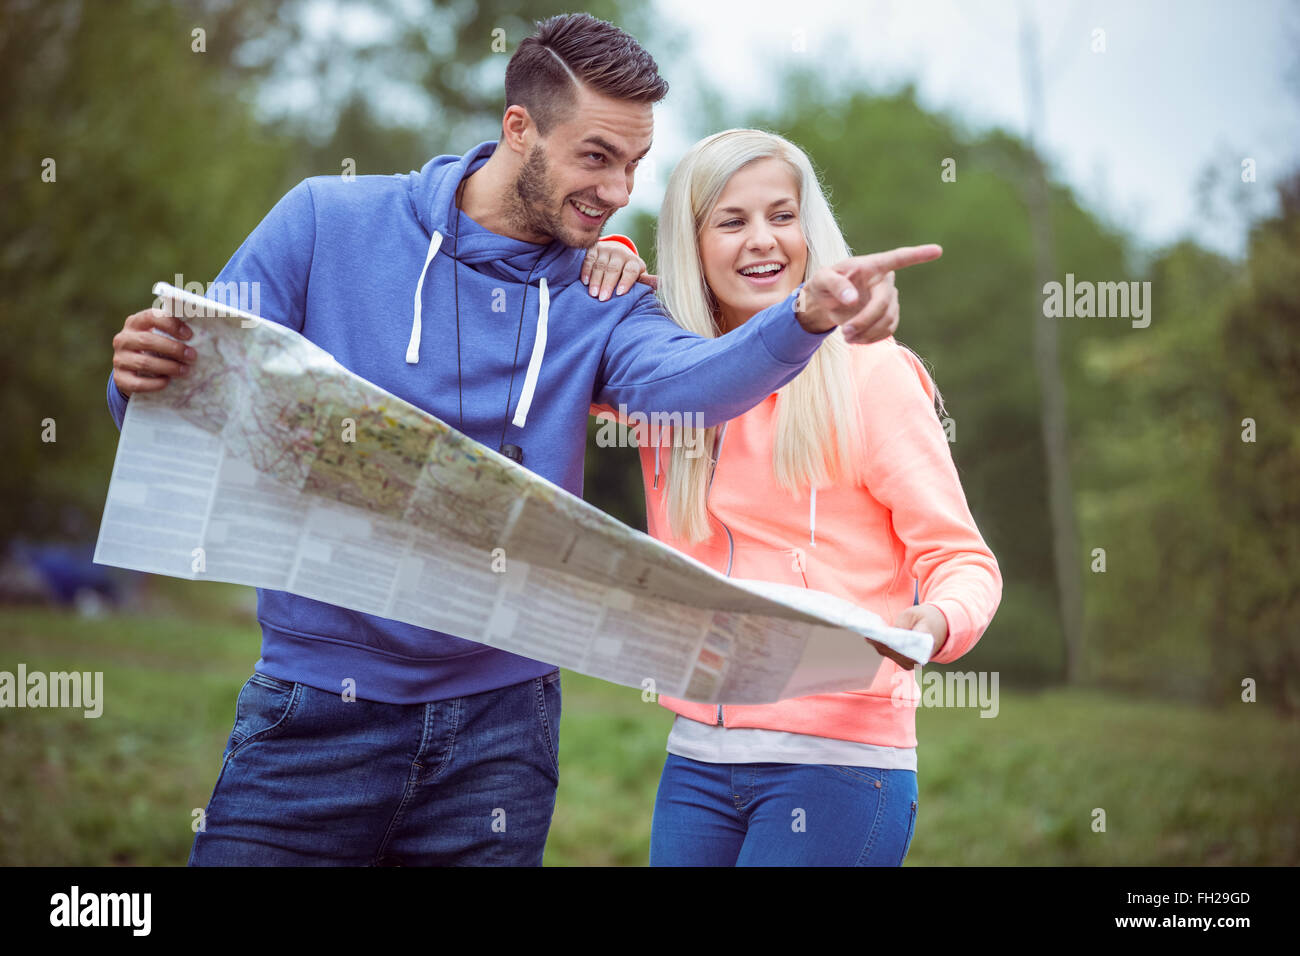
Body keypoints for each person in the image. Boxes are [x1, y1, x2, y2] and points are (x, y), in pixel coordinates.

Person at [104, 16, 934, 866]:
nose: (618, 189)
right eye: (596, 156)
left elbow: (694, 385)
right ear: (518, 129)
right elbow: (196, 388)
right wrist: (139, 378)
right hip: (314, 709)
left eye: (635, 165)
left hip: (501, 735)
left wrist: (805, 318)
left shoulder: (603, 294)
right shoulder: (324, 221)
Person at [591, 128, 1002, 866]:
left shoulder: (873, 376)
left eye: (783, 216)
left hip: (840, 761)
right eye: (732, 220)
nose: (763, 241)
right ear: (691, 243)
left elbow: (962, 558)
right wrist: (608, 258)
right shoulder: (663, 378)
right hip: (697, 759)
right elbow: (552, 344)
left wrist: (936, 622)